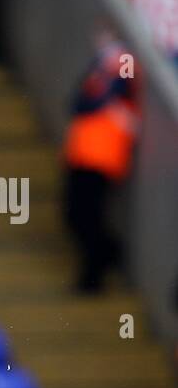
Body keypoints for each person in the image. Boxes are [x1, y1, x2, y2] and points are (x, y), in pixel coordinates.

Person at [62, 32, 138, 293]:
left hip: (102, 154)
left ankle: (102, 262)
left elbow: (94, 100)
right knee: (75, 214)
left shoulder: (121, 63)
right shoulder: (104, 66)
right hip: (84, 151)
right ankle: (105, 255)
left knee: (85, 214)